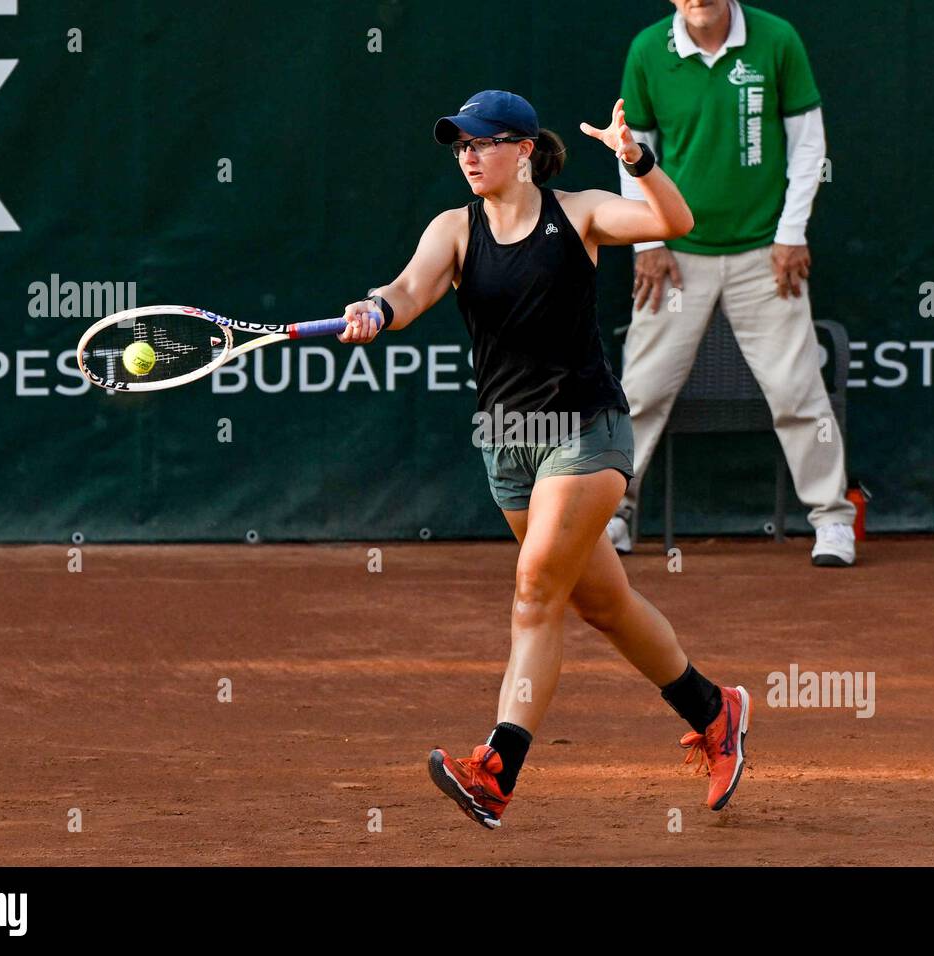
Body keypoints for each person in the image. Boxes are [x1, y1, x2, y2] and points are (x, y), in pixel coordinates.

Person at [336, 89, 751, 829]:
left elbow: (674, 222)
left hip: (587, 430)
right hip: (506, 446)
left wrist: (636, 159)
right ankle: (715, 710)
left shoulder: (581, 214)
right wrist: (376, 308)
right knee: (604, 604)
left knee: (534, 591)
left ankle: (498, 768)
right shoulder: (453, 230)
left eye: (482, 142)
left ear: (523, 150)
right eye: (459, 145)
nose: (467, 155)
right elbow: (407, 289)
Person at [607, 0, 858, 567]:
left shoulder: (777, 39)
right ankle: (612, 516)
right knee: (640, 392)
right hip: (676, 257)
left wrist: (791, 233)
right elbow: (632, 154)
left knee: (797, 390)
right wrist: (647, 241)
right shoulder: (649, 50)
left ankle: (832, 519)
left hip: (765, 254)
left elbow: (808, 145)